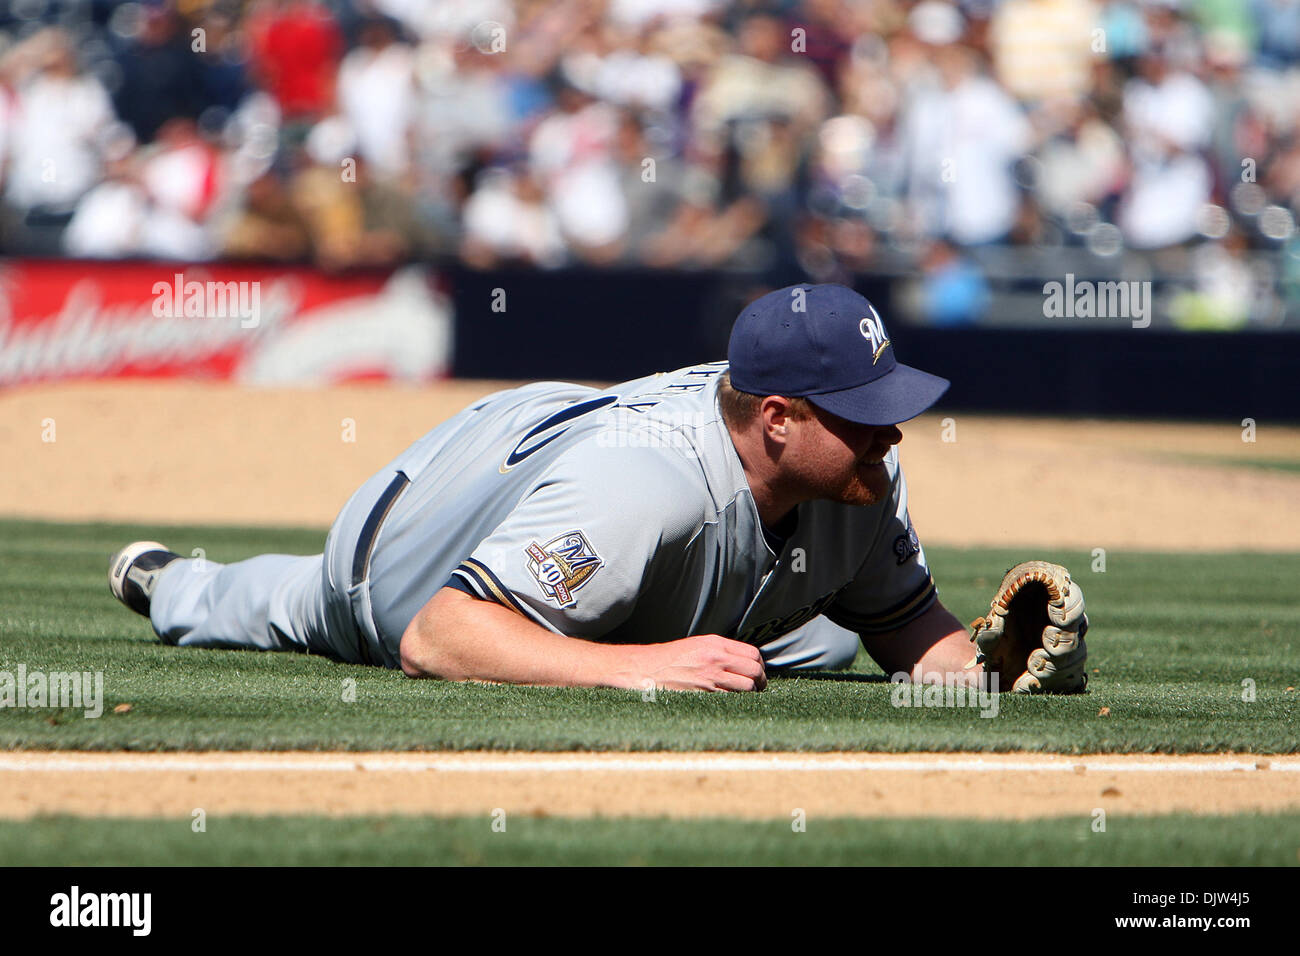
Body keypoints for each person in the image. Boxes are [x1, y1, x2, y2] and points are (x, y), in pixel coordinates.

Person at [109, 284, 981, 693]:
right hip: (408, 548)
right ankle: (171, 583)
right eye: (862, 414)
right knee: (290, 603)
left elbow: (913, 637)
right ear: (780, 419)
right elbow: (438, 639)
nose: (891, 432)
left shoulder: (859, 475)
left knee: (821, 643)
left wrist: (1005, 665)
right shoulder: (646, 486)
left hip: (591, 498)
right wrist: (635, 668)